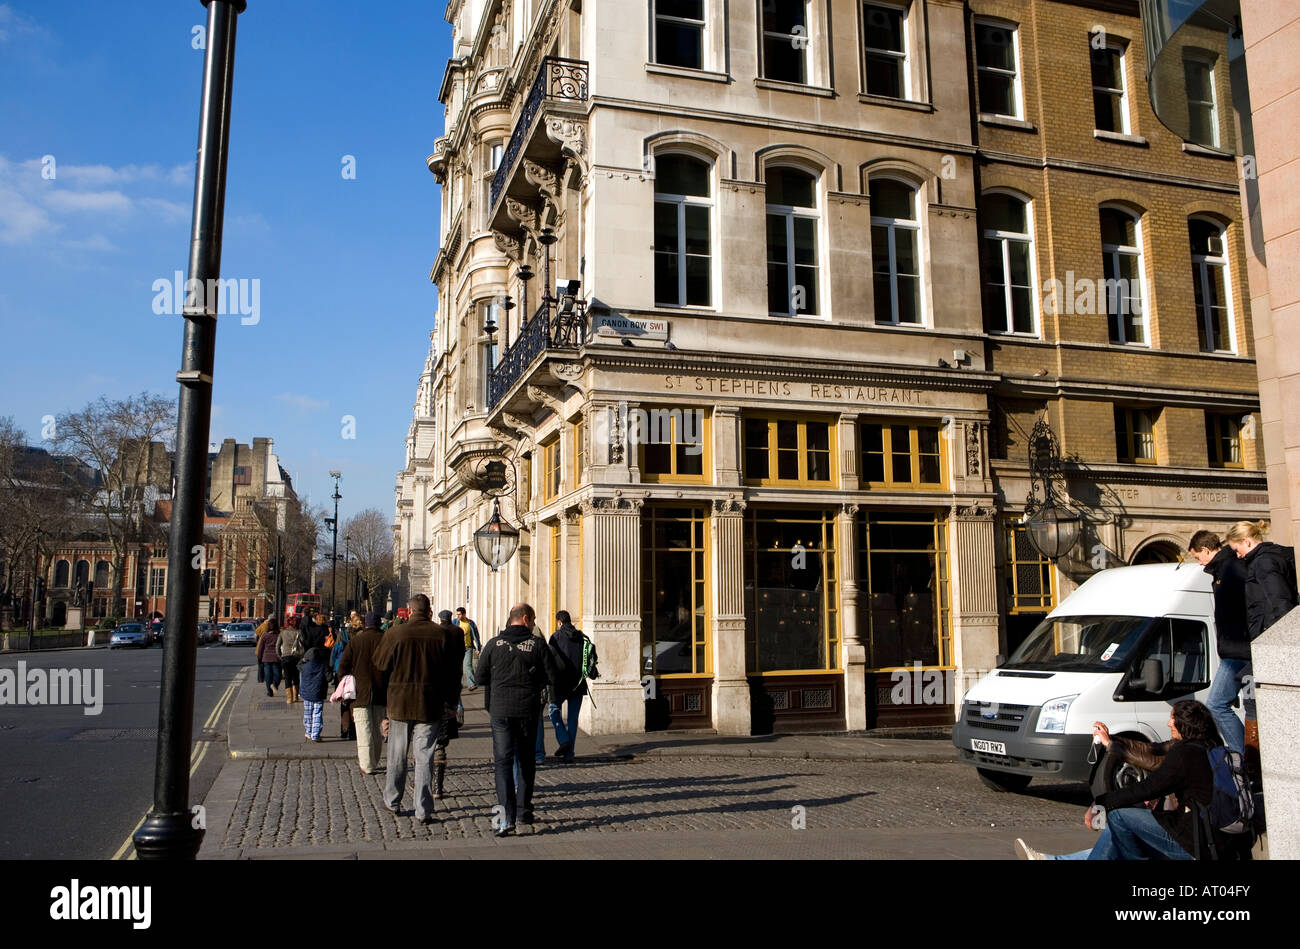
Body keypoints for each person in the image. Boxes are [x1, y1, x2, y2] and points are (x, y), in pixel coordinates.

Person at [1015, 701, 1222, 860]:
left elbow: (1148, 788)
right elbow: (1153, 751)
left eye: (1172, 718)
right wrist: (1111, 742)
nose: (1169, 723)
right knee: (1116, 839)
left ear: (1184, 723)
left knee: (1120, 818)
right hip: (1215, 840)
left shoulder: (1186, 754)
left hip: (1195, 844)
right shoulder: (1213, 746)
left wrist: (1101, 802)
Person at [372, 594, 463, 823]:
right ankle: (423, 809)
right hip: (430, 703)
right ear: (429, 610)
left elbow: (380, 666)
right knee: (424, 757)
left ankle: (392, 801)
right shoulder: (441, 635)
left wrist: (382, 703)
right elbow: (453, 674)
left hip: (399, 702)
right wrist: (452, 702)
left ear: (409, 611)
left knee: (397, 755)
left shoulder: (395, 633)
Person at [476, 602, 560, 836]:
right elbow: (552, 675)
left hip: (500, 711)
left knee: (502, 762)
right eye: (532, 620)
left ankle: (505, 819)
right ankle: (523, 811)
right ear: (525, 618)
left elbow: (481, 676)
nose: (533, 624)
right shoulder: (538, 645)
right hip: (527, 710)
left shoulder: (493, 644)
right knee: (526, 760)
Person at [1189, 530, 1252, 754]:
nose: (1199, 563)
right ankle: (1245, 757)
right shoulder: (1224, 568)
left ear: (1206, 550)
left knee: (1216, 704)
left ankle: (1240, 757)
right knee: (1247, 708)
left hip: (1238, 649)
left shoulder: (1229, 568)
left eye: (1198, 557)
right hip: (1236, 648)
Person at [1226, 520, 1298, 641]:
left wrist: (1285, 637)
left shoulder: (1263, 562)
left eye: (1237, 550)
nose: (1238, 555)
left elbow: (1280, 600)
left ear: (1246, 541)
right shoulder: (1271, 556)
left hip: (1273, 635)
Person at [338, 611, 387, 775]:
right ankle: (375, 759)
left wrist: (344, 681)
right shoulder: (385, 639)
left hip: (360, 691)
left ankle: (367, 765)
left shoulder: (356, 641)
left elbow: (343, 665)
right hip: (381, 690)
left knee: (363, 728)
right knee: (376, 728)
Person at [547, 610, 598, 762]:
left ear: (559, 622)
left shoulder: (555, 638)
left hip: (561, 684)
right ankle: (569, 753)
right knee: (573, 719)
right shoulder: (582, 637)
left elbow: (550, 662)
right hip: (578, 684)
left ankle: (563, 740)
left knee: (553, 710)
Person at [431, 610, 465, 799]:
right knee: (441, 742)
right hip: (451, 688)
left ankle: (431, 783)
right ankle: (438, 787)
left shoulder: (435, 633)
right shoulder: (457, 632)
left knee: (429, 740)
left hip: (433, 693)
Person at [298, 613, 332, 742]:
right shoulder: (326, 630)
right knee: (317, 710)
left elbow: (299, 665)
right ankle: (315, 734)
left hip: (309, 660)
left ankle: (308, 730)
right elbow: (328, 677)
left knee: (308, 709)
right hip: (322, 660)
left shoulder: (309, 630)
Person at [332, 615, 359, 740]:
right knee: (355, 703)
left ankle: (345, 729)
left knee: (344, 702)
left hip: (342, 672)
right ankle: (353, 730)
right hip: (357, 672)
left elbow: (335, 652)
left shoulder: (342, 635)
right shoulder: (361, 636)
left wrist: (333, 668)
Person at [277, 615, 304, 704]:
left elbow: (277, 646)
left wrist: (280, 655)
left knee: (287, 678)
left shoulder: (283, 633)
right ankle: (296, 697)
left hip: (286, 657)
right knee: (296, 677)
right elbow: (303, 645)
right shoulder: (299, 632)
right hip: (296, 657)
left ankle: (289, 698)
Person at [456, 607, 482, 691]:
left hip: (468, 647)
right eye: (457, 614)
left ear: (464, 614)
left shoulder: (470, 623)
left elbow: (476, 636)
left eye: (459, 614)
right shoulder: (455, 622)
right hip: (458, 648)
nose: (458, 616)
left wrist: (478, 647)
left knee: (468, 665)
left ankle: (471, 684)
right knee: (458, 667)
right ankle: (458, 684)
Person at [256, 616, 282, 698]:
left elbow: (261, 648)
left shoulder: (265, 635)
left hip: (266, 657)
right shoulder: (279, 635)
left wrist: (259, 657)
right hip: (276, 657)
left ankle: (270, 692)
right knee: (277, 674)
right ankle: (274, 686)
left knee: (268, 675)